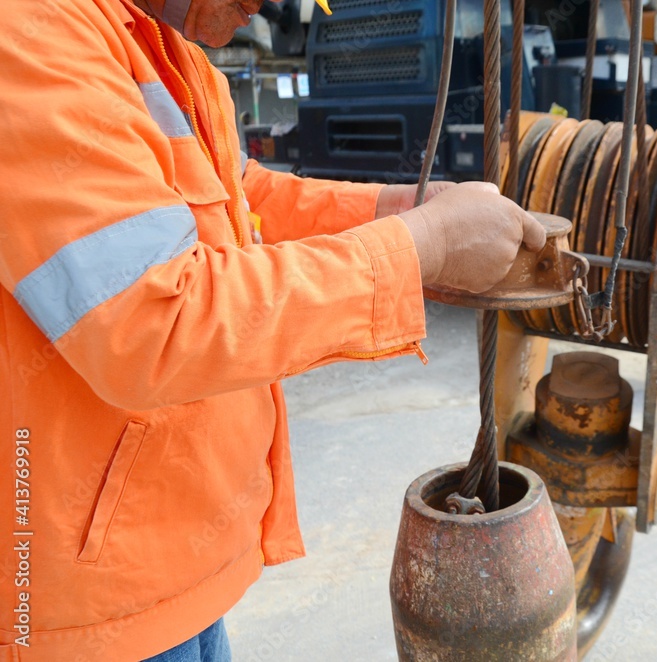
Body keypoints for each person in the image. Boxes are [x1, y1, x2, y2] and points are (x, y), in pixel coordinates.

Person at [0, 0, 545, 659]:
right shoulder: (29, 35)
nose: (273, 7)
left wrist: (397, 208)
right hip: (77, 613)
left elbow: (240, 201)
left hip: (167, 574)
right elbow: (157, 324)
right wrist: (422, 246)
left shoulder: (171, 54)